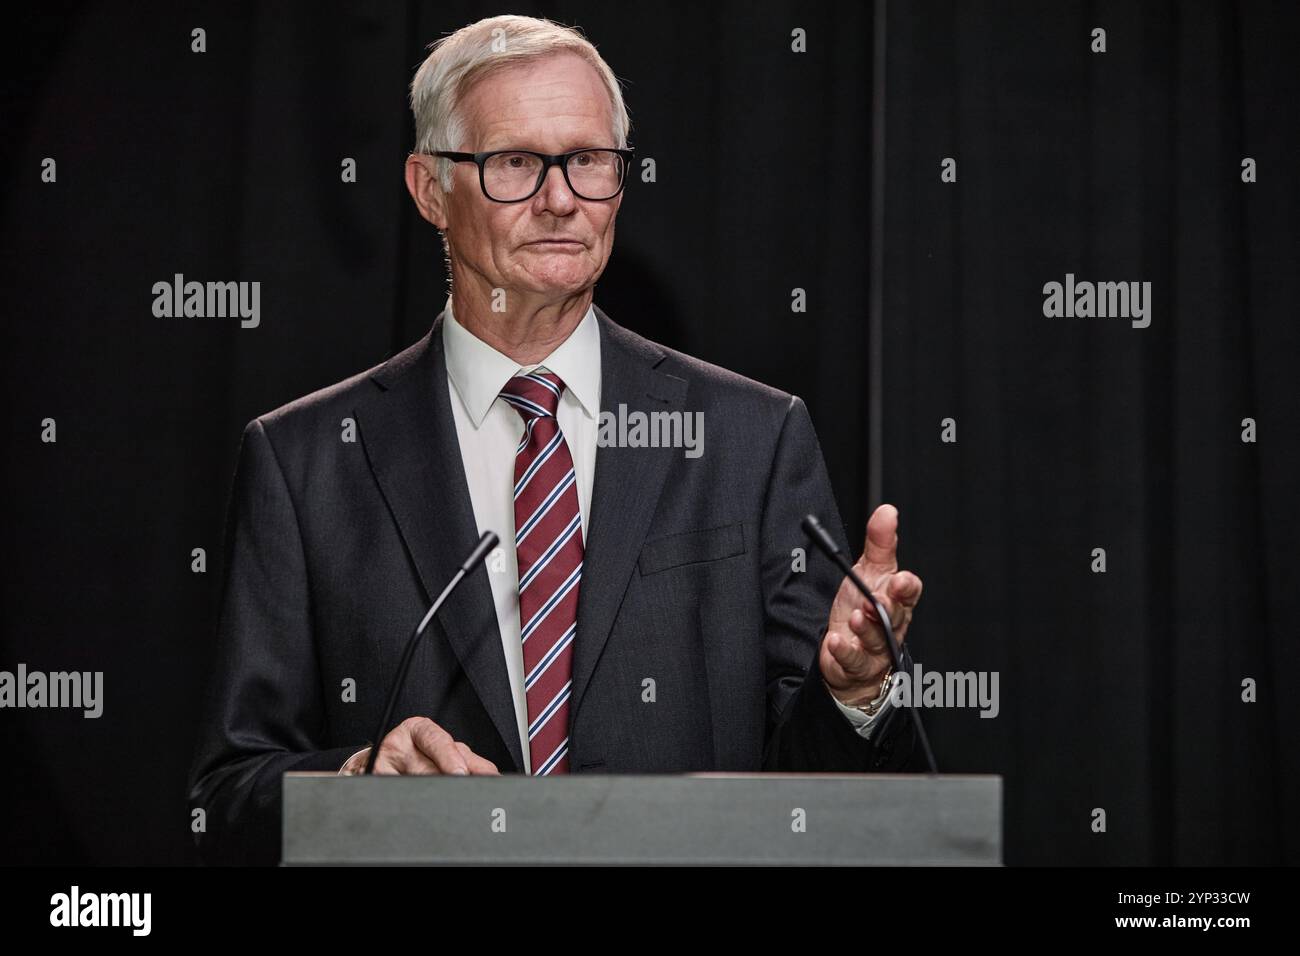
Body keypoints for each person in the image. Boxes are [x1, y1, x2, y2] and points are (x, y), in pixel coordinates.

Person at [187, 14, 927, 865]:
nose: (560, 197)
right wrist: (357, 782)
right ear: (429, 189)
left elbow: (820, 801)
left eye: (587, 161)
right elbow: (228, 795)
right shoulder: (306, 461)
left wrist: (857, 694)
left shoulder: (750, 440)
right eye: (513, 163)